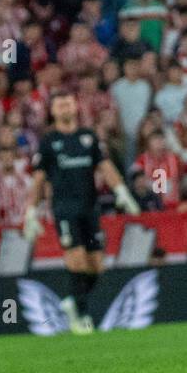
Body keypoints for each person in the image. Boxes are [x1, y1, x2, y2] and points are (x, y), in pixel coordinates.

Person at [25, 92, 138, 333]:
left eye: (67, 102)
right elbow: (38, 179)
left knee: (97, 265)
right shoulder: (48, 142)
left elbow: (104, 165)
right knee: (76, 259)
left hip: (90, 208)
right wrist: (31, 212)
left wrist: (121, 191)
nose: (65, 106)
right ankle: (82, 318)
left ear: (75, 106)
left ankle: (73, 301)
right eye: (59, 104)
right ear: (53, 111)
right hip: (64, 209)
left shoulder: (88, 137)